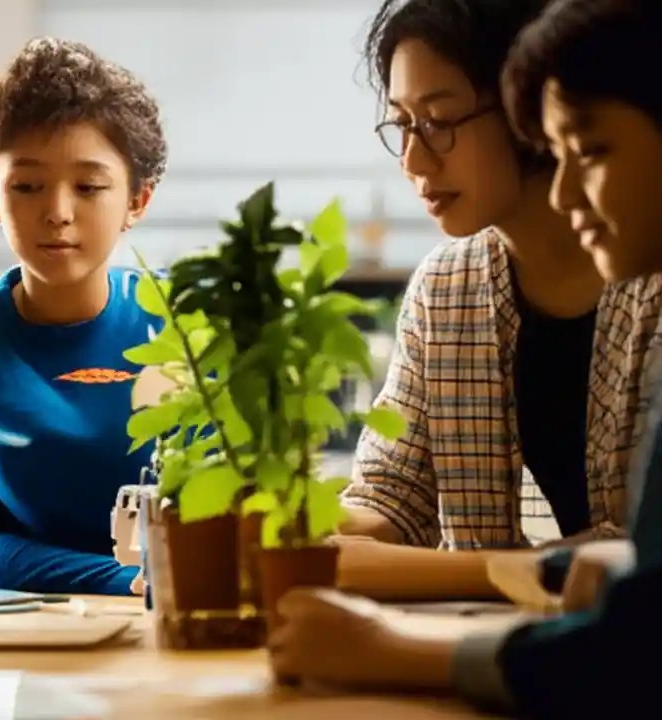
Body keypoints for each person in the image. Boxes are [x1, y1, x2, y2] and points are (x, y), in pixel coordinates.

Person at [272, 1, 662, 715]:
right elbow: (385, 508)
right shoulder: (448, 285)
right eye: (402, 125)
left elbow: (632, 572)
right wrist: (286, 522)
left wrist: (492, 580)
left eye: (441, 121)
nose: (416, 160)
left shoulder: (647, 273)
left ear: (527, 105)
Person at [0, 37, 166, 595]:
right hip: (31, 629)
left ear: (137, 201)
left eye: (89, 186)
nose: (57, 213)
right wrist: (129, 581)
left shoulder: (182, 320)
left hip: (183, 618)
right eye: (26, 187)